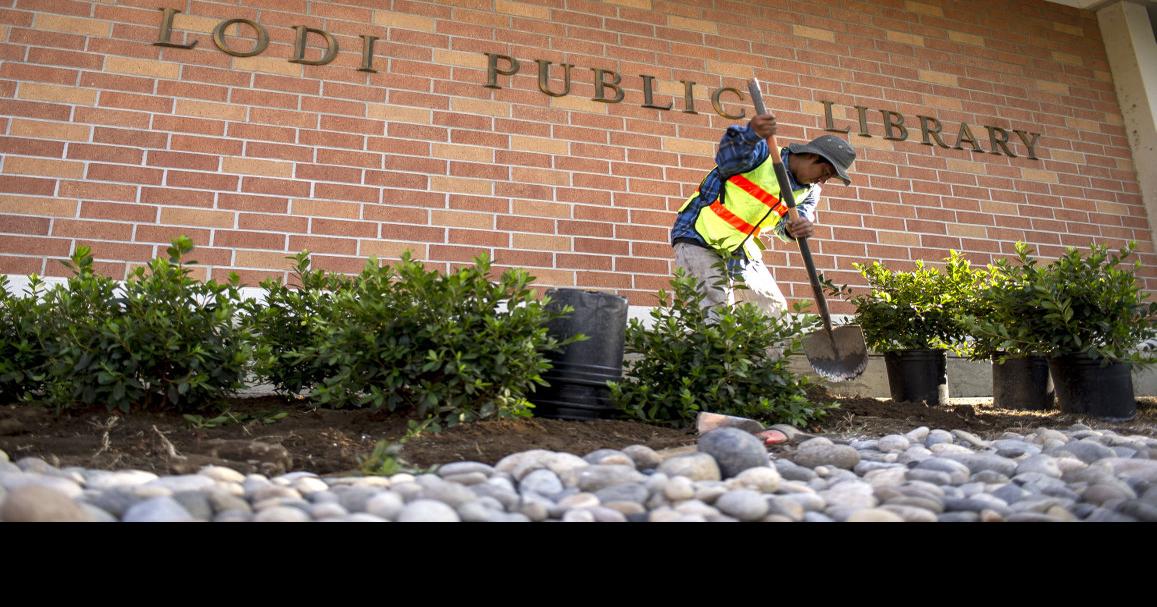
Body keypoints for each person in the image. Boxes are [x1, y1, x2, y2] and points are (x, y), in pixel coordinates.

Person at [670, 113, 856, 320]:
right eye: (826, 172)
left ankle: (765, 353)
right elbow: (728, 159)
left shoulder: (810, 191)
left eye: (829, 178)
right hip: (700, 236)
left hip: (739, 248)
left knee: (772, 311)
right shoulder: (762, 155)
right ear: (813, 156)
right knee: (715, 314)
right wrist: (750, 135)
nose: (824, 180)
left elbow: (787, 225)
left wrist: (793, 229)